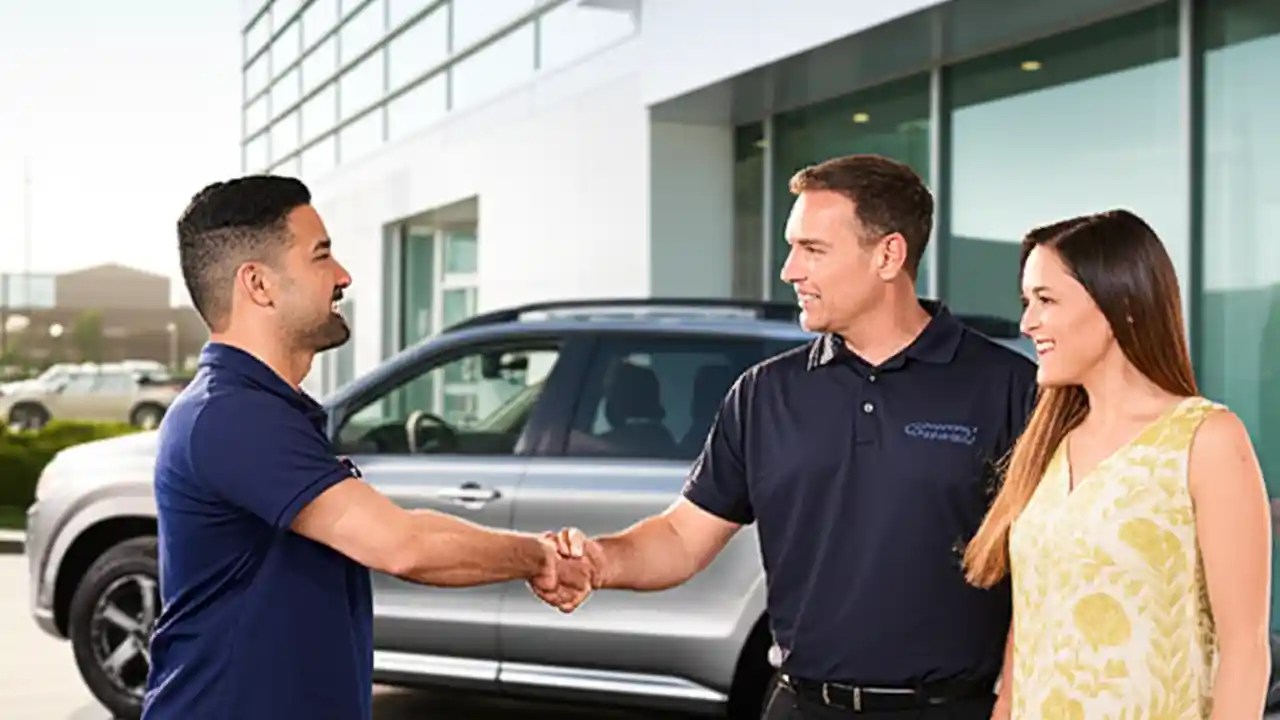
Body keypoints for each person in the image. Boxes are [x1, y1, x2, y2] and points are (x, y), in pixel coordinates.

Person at [535, 154, 1039, 719]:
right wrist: (599, 561)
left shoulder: (1010, 388)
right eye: (791, 246)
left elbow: (1043, 575)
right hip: (797, 706)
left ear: (888, 255)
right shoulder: (763, 394)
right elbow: (681, 537)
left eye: (812, 250)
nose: (789, 271)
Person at [142, 175, 589, 720]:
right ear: (258, 285)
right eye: (321, 256)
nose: (343, 276)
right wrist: (537, 556)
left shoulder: (260, 410)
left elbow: (403, 535)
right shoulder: (231, 416)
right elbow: (403, 545)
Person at [961, 210, 1272, 719]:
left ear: (1120, 305)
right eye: (1027, 302)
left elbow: (1245, 650)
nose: (1027, 322)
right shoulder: (1047, 445)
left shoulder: (1206, 440)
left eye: (1046, 300)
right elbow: (1029, 631)